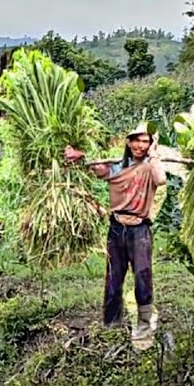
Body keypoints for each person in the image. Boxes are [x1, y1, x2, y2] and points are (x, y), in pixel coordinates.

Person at [65, 122, 166, 342]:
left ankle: (143, 324)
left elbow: (161, 179)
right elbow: (98, 170)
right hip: (117, 228)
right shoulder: (118, 167)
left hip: (140, 229)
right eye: (137, 140)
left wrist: (155, 154)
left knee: (142, 276)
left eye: (146, 141)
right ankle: (111, 324)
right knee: (113, 279)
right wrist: (81, 155)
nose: (141, 145)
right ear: (129, 143)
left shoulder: (151, 167)